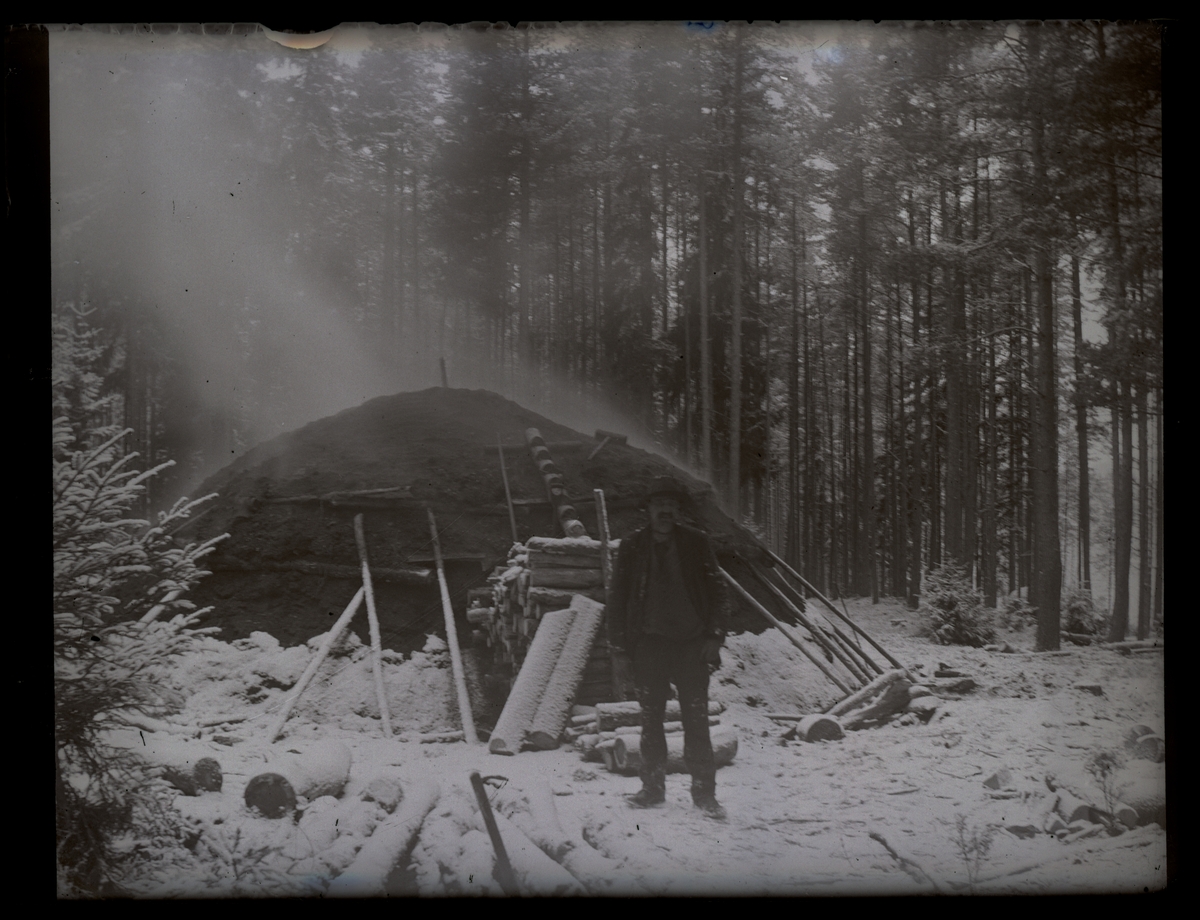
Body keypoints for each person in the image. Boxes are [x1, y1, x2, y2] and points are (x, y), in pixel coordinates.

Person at [607, 475, 732, 820]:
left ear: (678, 510)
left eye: (671, 505)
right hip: (649, 646)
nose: (665, 511)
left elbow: (718, 592)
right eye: (659, 504)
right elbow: (617, 598)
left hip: (692, 646)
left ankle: (705, 795)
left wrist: (714, 636)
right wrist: (619, 649)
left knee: (696, 720)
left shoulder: (696, 543)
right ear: (647, 509)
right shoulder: (632, 547)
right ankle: (652, 789)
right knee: (651, 721)